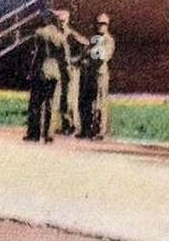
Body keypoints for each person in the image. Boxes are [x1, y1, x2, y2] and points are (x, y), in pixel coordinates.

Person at [24, 11, 69, 143]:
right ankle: (49, 134)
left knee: (35, 103)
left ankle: (34, 133)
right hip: (54, 72)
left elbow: (36, 54)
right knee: (51, 103)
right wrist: (66, 74)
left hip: (41, 70)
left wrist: (31, 70)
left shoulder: (40, 33)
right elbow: (65, 59)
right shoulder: (60, 37)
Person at [77, 13, 116, 140]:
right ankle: (86, 129)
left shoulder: (108, 40)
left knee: (99, 102)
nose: (100, 26)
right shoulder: (94, 38)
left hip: (100, 74)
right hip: (90, 74)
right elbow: (86, 53)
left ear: (107, 26)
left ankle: (100, 131)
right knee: (86, 101)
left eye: (103, 24)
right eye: (98, 23)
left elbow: (103, 56)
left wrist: (90, 53)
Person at [54, 9, 88, 136]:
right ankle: (65, 125)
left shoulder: (71, 35)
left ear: (67, 21)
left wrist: (75, 60)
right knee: (63, 98)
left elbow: (85, 44)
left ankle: (73, 125)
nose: (61, 23)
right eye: (59, 21)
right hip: (62, 70)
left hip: (72, 70)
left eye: (63, 21)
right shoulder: (58, 35)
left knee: (71, 99)